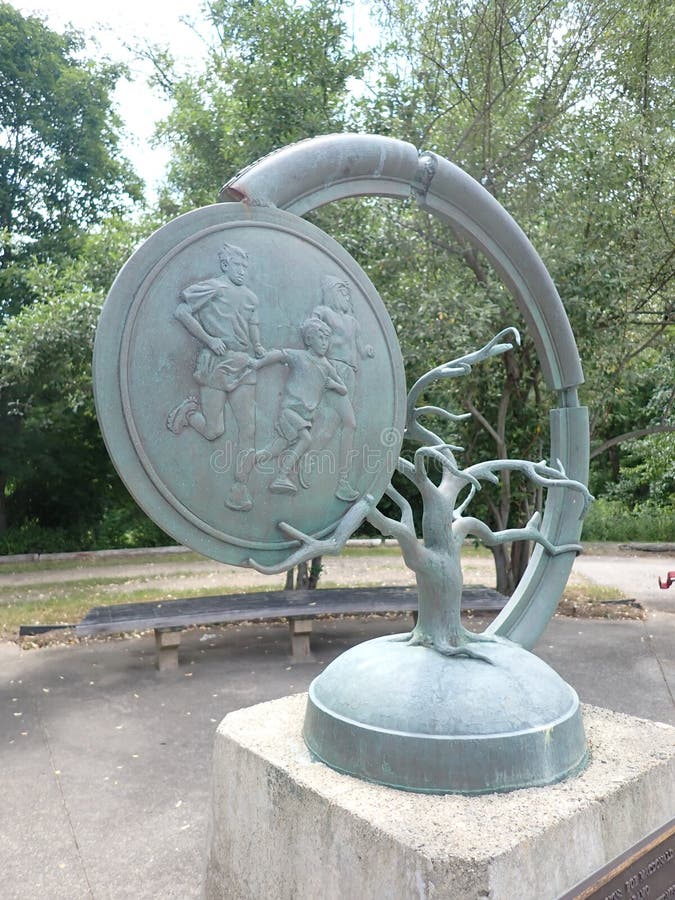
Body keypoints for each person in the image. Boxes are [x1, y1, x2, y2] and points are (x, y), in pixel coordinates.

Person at [166, 242, 264, 512]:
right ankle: (188, 415)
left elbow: (253, 330)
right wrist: (209, 340)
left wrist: (257, 348)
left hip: (243, 364)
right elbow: (182, 312)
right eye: (238, 265)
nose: (243, 270)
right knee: (214, 430)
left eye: (246, 266)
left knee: (248, 427)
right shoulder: (213, 287)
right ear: (225, 265)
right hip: (217, 363)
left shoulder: (251, 297)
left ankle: (240, 487)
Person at [252, 317, 351, 496]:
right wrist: (258, 363)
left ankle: (250, 460)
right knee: (305, 439)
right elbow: (279, 354)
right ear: (308, 340)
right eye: (320, 338)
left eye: (326, 339)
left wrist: (333, 386)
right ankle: (281, 477)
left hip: (306, 416)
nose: (324, 343)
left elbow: (343, 388)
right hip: (290, 411)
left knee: (277, 448)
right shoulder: (299, 356)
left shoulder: (327, 366)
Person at [311, 275, 374, 501]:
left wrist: (366, 350)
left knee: (331, 425)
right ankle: (343, 482)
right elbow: (310, 329)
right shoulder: (323, 312)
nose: (348, 297)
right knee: (349, 423)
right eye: (344, 292)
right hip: (332, 370)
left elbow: (358, 345)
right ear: (333, 292)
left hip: (350, 372)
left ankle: (306, 463)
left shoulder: (353, 322)